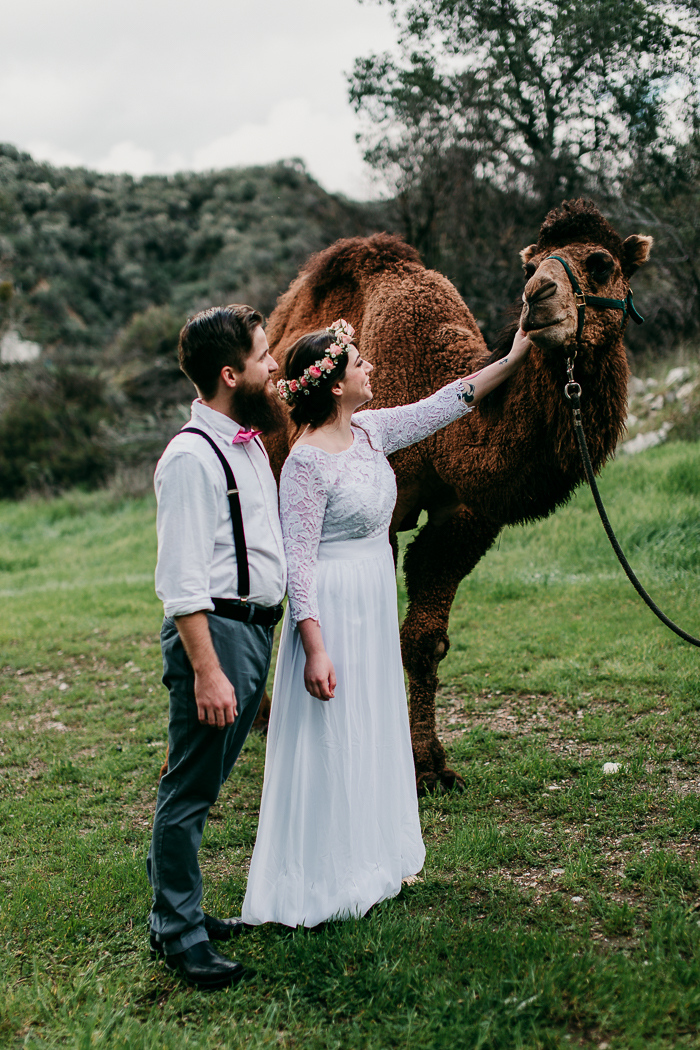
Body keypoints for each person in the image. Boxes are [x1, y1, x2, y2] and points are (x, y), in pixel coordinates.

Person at [242, 319, 531, 928]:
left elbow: (446, 403)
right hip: (332, 610)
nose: (369, 367)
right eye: (358, 362)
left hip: (372, 601)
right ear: (333, 384)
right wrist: (314, 648)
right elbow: (299, 566)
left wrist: (513, 357)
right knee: (332, 733)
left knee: (371, 722)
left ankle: (374, 856)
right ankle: (325, 876)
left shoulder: (372, 431)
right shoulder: (304, 463)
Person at [147, 304, 287, 989]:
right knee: (190, 786)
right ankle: (178, 934)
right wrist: (207, 670)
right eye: (263, 356)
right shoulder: (189, 458)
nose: (274, 365)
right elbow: (181, 585)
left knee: (203, 782)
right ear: (232, 374)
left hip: (253, 632)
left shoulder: (249, 441)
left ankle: (184, 914)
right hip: (218, 637)